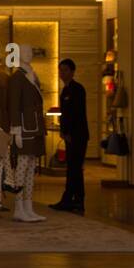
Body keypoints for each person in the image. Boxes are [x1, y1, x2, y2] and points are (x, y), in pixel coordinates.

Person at [51, 58, 89, 215]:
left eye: (65, 70)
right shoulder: (64, 91)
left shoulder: (78, 89)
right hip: (69, 135)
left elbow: (77, 114)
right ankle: (70, 199)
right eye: (60, 70)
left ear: (72, 72)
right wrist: (63, 130)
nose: (62, 73)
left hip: (78, 135)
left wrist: (70, 133)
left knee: (75, 168)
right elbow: (65, 114)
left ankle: (76, 200)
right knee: (72, 168)